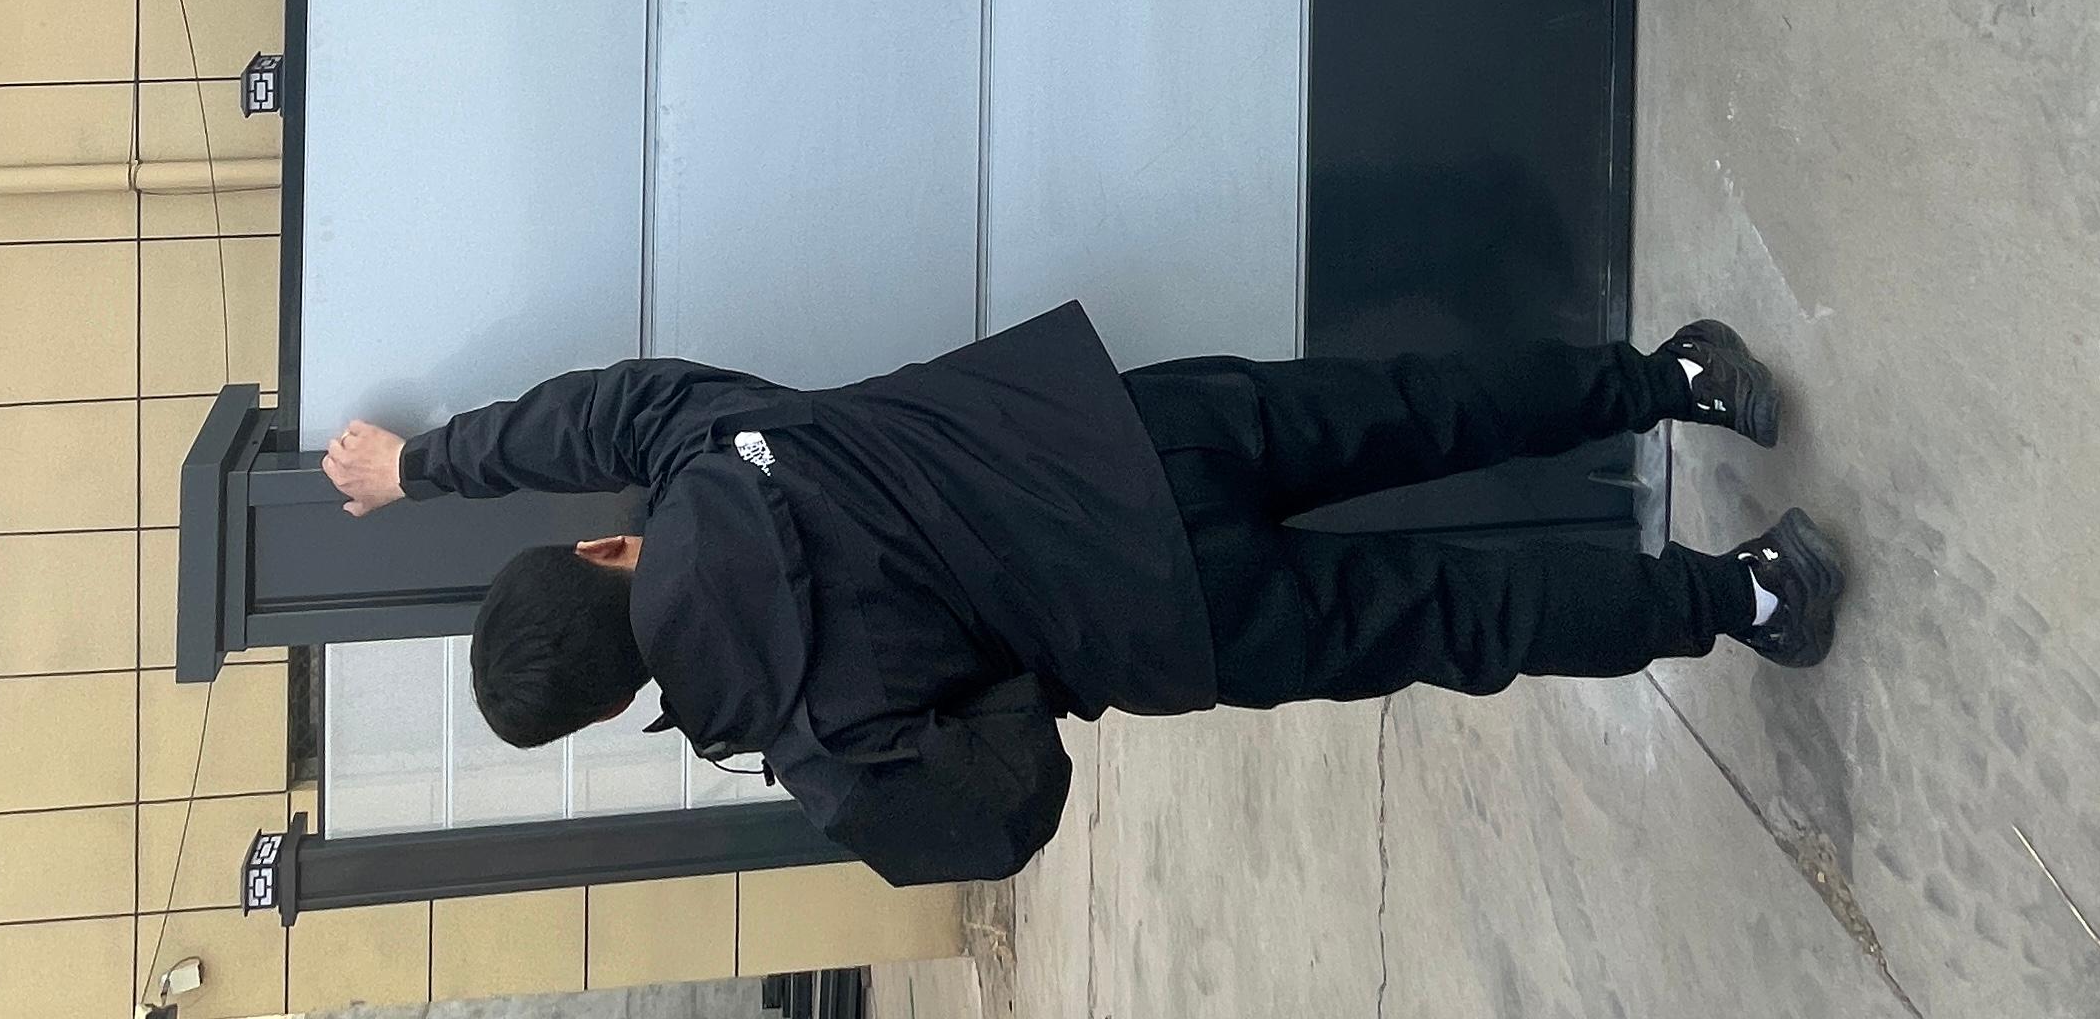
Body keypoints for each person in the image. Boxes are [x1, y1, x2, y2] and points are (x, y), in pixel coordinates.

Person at [317, 302, 1844, 887]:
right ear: (602, 554)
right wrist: (424, 464)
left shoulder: (815, 750)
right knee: (1413, 408)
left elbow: (1007, 816)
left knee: (1462, 618)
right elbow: (588, 410)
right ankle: (1674, 381)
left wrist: (999, 670)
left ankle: (1747, 598)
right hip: (1126, 434)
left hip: (1175, 625)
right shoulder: (709, 455)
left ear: (616, 704)